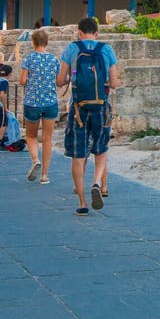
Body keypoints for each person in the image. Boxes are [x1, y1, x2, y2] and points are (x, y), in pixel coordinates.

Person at [59, 17, 118, 215]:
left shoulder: (72, 48)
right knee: (101, 150)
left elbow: (60, 80)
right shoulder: (106, 49)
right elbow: (115, 82)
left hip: (78, 108)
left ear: (79, 31)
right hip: (101, 106)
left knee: (78, 154)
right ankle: (96, 183)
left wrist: (69, 78)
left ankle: (82, 203)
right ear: (97, 32)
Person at [20, 29, 62, 184]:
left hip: (32, 102)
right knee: (47, 138)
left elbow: (23, 81)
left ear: (33, 42)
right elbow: (59, 82)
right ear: (47, 42)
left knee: (31, 136)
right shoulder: (54, 59)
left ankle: (35, 159)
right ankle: (44, 175)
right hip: (50, 102)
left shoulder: (29, 59)